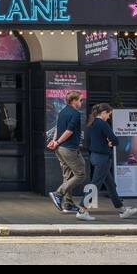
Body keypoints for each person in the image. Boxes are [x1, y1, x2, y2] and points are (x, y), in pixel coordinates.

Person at [84, 103, 137, 219]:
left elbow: (88, 141)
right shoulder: (103, 124)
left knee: (110, 185)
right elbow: (115, 140)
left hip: (94, 156)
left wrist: (105, 142)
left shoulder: (91, 123)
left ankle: (121, 209)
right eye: (109, 114)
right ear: (103, 113)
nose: (109, 117)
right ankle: (82, 210)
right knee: (95, 185)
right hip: (103, 158)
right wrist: (110, 143)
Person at [47, 90, 91, 219]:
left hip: (60, 149)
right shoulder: (75, 114)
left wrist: (55, 142)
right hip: (69, 148)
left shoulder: (62, 112)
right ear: (74, 101)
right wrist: (58, 141)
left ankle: (68, 204)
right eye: (80, 100)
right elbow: (69, 131)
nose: (81, 102)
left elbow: (57, 128)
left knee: (68, 175)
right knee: (80, 174)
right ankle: (58, 194)